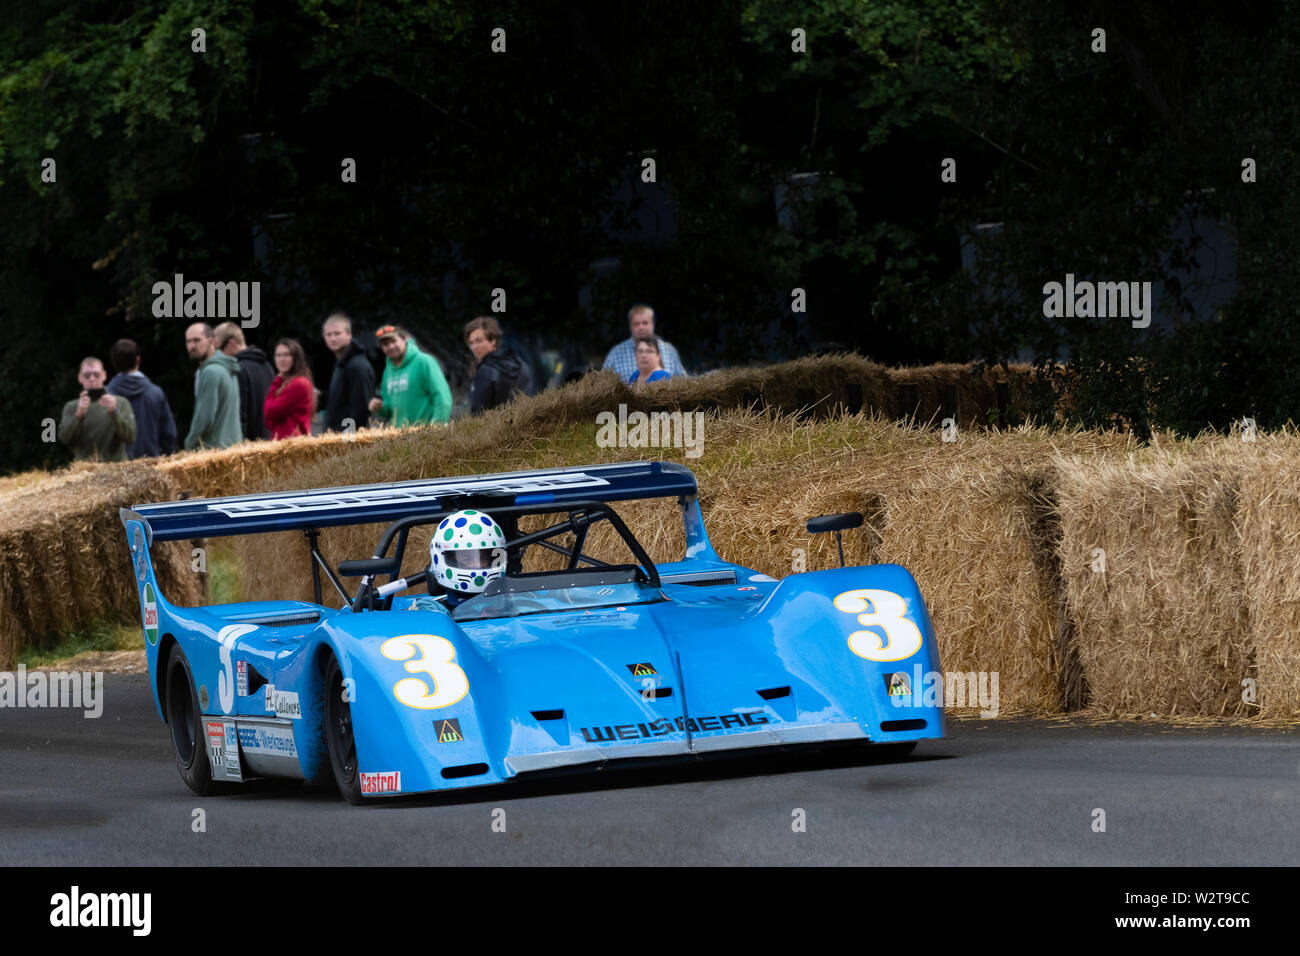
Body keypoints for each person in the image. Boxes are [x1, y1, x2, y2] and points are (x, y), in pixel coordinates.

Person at [105, 338, 177, 458]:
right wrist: (168, 456)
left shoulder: (106, 396)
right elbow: (168, 433)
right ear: (138, 360)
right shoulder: (155, 393)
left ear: (114, 363)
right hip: (150, 464)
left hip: (115, 468)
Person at [367, 325, 452, 427]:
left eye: (393, 341)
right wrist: (379, 407)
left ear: (405, 339)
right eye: (385, 344)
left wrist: (436, 429)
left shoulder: (424, 362)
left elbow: (443, 399)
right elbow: (389, 409)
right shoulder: (388, 371)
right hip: (399, 437)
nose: (390, 346)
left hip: (424, 435)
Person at [57, 357, 137, 462]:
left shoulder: (121, 403)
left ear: (104, 376)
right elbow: (64, 438)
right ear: (80, 378)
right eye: (87, 375)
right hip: (84, 471)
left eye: (96, 374)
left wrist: (114, 412)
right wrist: (79, 415)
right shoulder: (72, 406)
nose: (92, 379)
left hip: (116, 469)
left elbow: (131, 437)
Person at [183, 322, 242, 450]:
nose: (192, 346)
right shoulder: (227, 368)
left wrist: (189, 444)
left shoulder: (211, 372)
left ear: (211, 341)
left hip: (214, 454)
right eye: (188, 342)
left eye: (197, 340)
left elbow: (204, 418)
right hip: (232, 450)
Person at [215, 322, 274, 441]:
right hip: (269, 441)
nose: (217, 355)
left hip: (249, 446)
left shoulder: (238, 369)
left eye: (219, 349)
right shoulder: (267, 365)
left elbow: (240, 414)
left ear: (231, 343)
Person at [464, 315, 535, 413]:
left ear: (493, 340)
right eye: (471, 343)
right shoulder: (521, 364)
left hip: (494, 427)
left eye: (479, 341)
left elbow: (478, 414)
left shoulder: (485, 371)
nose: (474, 347)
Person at [322, 312, 375, 433]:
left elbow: (360, 412)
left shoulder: (357, 366)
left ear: (349, 334)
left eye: (337, 333)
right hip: (336, 439)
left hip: (347, 443)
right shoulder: (342, 364)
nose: (333, 338)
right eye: (328, 334)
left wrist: (348, 444)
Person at [602, 304, 685, 380]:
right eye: (636, 324)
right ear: (630, 326)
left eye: (645, 323)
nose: (641, 327)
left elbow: (683, 382)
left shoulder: (669, 351)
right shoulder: (616, 353)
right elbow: (603, 384)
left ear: (653, 324)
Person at [263, 338, 315, 440]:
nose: (282, 359)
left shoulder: (298, 384)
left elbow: (269, 411)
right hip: (288, 442)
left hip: (291, 444)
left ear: (296, 358)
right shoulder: (293, 381)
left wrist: (277, 381)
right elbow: (269, 421)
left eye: (287, 355)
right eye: (278, 355)